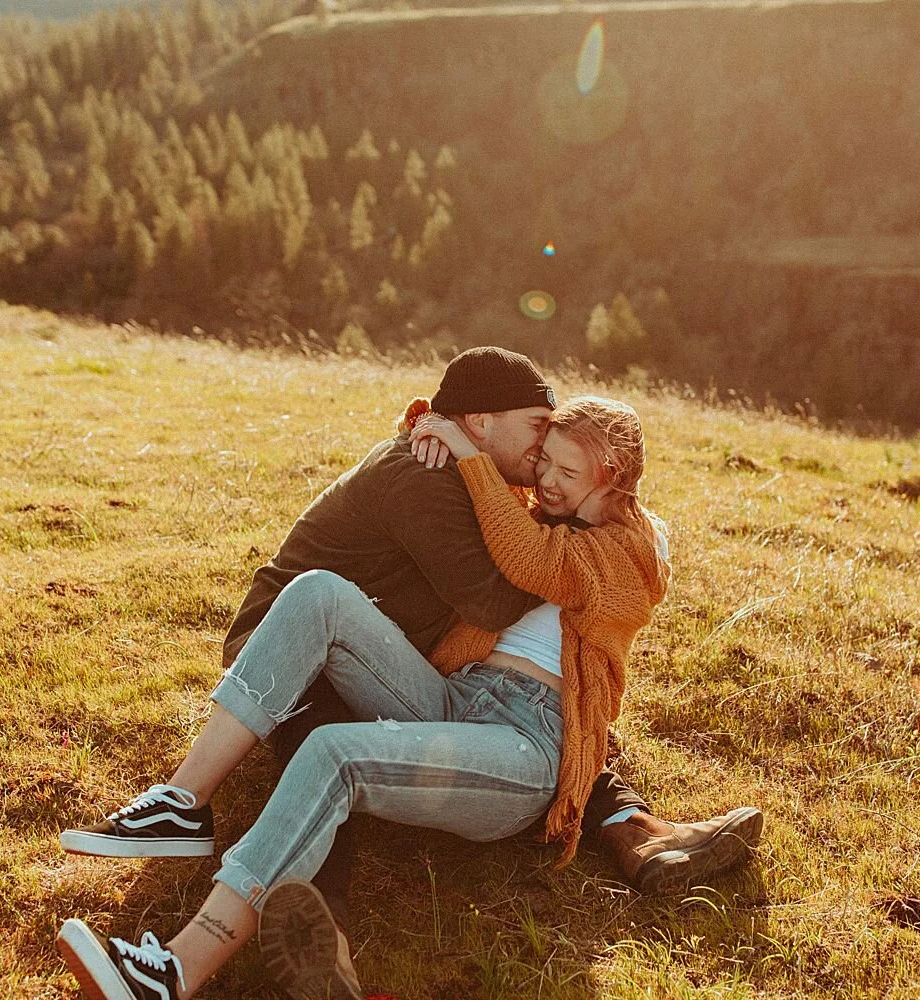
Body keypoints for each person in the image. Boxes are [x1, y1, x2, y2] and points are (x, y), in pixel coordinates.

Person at [54, 349, 763, 999]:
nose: (545, 477)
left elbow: (528, 560)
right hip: (456, 699)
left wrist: (464, 447)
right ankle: (182, 803)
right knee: (319, 592)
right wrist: (431, 425)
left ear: (611, 477)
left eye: (565, 470)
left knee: (332, 750)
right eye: (543, 456)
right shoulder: (536, 509)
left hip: (525, 745)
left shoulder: (632, 548)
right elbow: (470, 496)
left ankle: (176, 968)